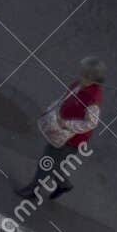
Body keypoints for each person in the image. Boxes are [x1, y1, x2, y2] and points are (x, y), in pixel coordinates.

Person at [15, 57, 106, 204]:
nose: (79, 76)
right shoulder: (80, 85)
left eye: (83, 74)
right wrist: (50, 110)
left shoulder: (92, 98)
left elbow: (91, 123)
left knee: (47, 161)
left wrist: (66, 124)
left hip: (71, 139)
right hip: (61, 130)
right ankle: (63, 184)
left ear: (91, 78)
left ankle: (33, 189)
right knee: (54, 164)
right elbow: (64, 99)